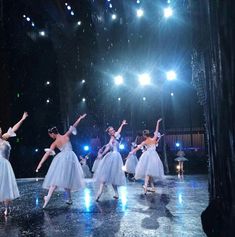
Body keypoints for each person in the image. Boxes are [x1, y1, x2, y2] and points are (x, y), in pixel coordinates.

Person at [36, 114, 86, 208]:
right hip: (71, 158)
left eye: (50, 135)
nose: (50, 137)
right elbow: (74, 126)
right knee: (67, 179)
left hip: (62, 159)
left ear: (52, 134)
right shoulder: (66, 135)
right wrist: (79, 118)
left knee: (57, 179)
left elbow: (47, 154)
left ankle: (49, 197)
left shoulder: (54, 143)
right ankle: (68, 199)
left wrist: (40, 163)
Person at [0, 112, 28, 215]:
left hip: (5, 165)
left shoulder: (4, 137)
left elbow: (14, 129)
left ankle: (7, 207)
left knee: (5, 186)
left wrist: (22, 119)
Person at [94, 120, 127, 201]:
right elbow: (108, 148)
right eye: (111, 130)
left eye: (113, 130)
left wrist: (122, 124)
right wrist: (102, 154)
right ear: (109, 133)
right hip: (112, 156)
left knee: (113, 177)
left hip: (115, 157)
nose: (113, 131)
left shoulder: (114, 137)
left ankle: (116, 193)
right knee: (106, 176)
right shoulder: (111, 138)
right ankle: (100, 192)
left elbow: (118, 131)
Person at [130, 119, 164, 194]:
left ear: (145, 135)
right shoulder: (154, 138)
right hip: (154, 156)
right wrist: (157, 122)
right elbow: (156, 129)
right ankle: (152, 187)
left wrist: (131, 152)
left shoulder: (145, 141)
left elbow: (137, 148)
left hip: (148, 156)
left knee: (148, 172)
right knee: (149, 172)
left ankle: (145, 186)